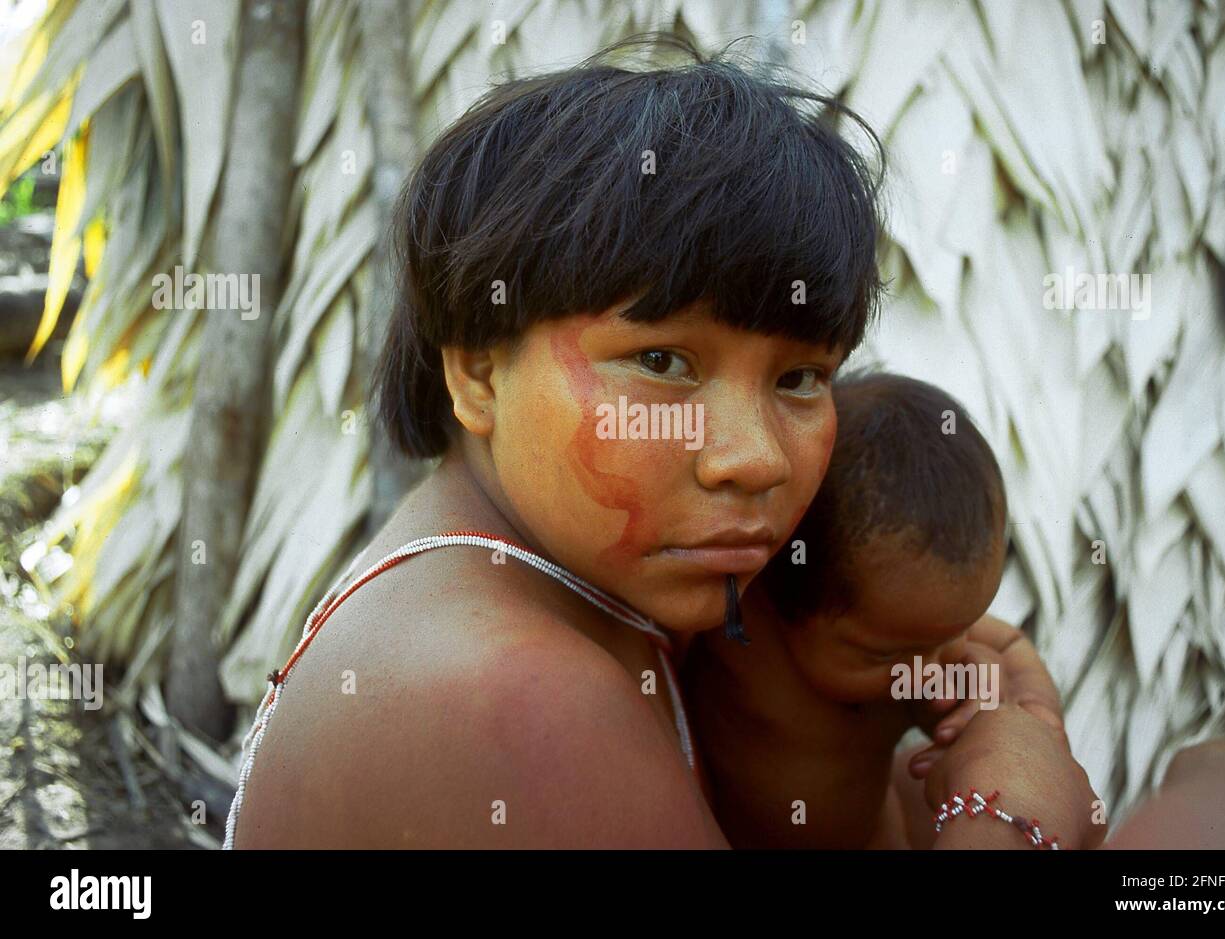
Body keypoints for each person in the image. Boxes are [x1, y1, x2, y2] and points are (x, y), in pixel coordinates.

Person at [224, 35, 888, 848]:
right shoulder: (511, 694)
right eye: (660, 361)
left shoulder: (579, 594)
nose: (755, 458)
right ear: (477, 372)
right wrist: (1011, 805)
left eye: (801, 379)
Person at [682, 372, 1103, 848]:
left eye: (955, 632)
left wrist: (1031, 712)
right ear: (765, 590)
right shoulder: (729, 632)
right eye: (888, 655)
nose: (930, 668)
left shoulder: (913, 639)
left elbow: (1006, 641)